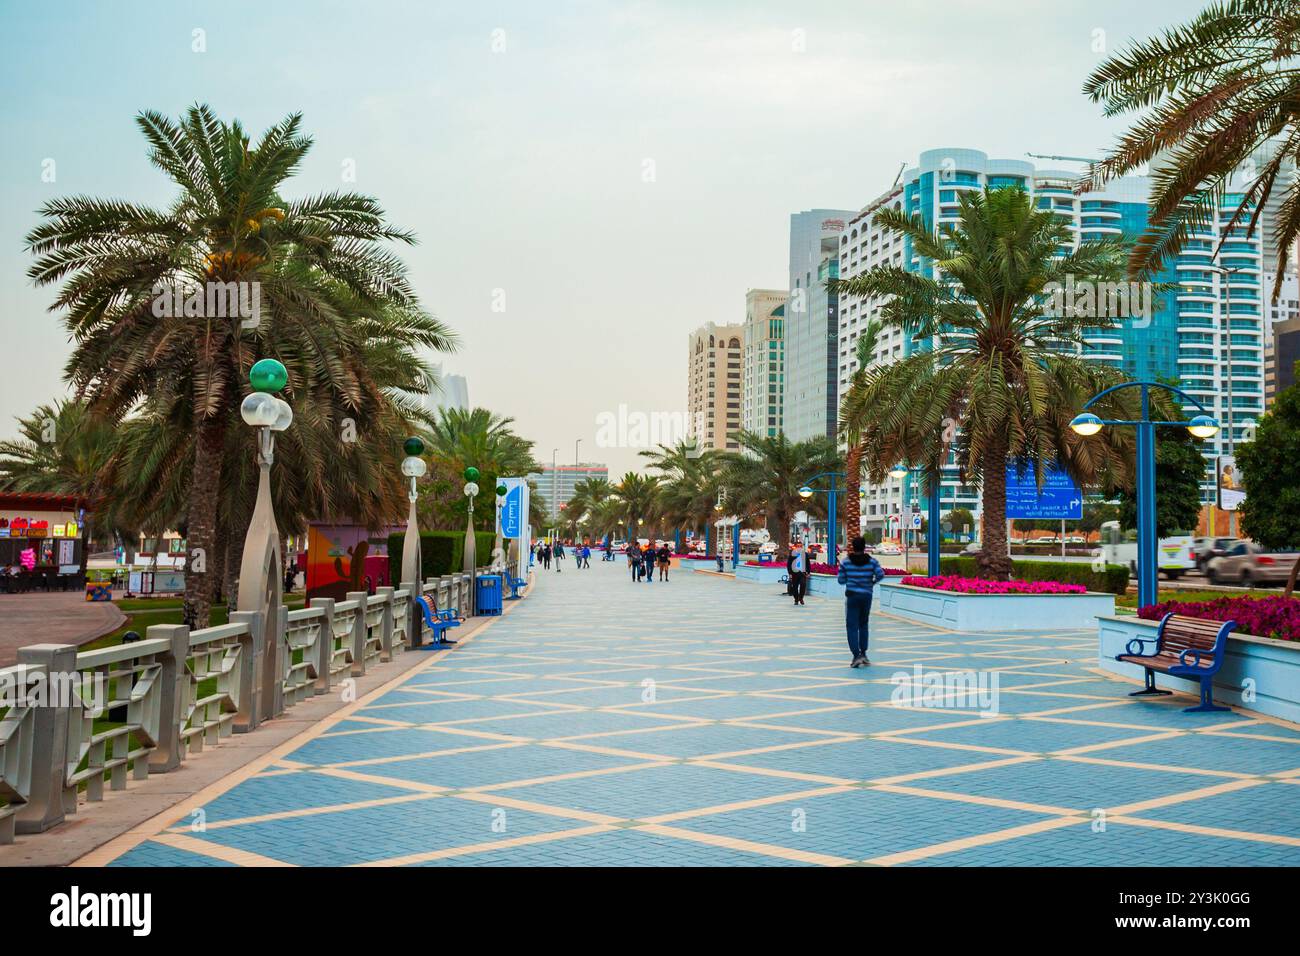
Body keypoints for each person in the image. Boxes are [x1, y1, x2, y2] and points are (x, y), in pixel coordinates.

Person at [838, 536, 886, 667]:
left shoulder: (846, 562)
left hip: (852, 596)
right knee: (863, 624)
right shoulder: (872, 561)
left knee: (852, 626)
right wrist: (872, 583)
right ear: (864, 547)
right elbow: (881, 574)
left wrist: (849, 578)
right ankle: (864, 653)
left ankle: (856, 655)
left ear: (853, 547)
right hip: (866, 596)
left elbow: (841, 580)